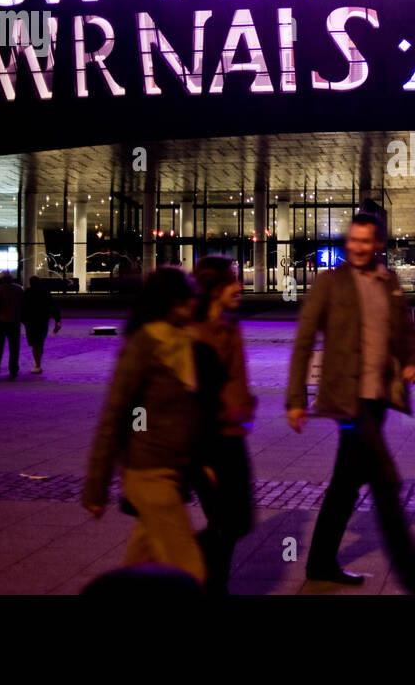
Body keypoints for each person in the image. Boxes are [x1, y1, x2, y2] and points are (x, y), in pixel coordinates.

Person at [286, 212, 415, 595]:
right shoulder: (329, 283)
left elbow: (405, 331)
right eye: (353, 240)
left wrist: (414, 360)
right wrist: (296, 399)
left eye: (366, 241)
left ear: (378, 243)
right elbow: (303, 340)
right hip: (348, 401)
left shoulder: (387, 281)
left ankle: (320, 564)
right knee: (383, 483)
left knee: (345, 485)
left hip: (377, 399)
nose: (358, 247)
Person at [82, 266, 206, 584]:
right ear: (170, 302)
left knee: (140, 564)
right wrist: (96, 488)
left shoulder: (186, 342)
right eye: (185, 299)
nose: (193, 303)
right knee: (190, 571)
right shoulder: (144, 345)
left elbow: (190, 415)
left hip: (173, 471)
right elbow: (114, 413)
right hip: (149, 472)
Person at [189, 255, 255, 595]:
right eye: (233, 280)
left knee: (237, 520)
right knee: (226, 521)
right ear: (215, 289)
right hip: (211, 440)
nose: (240, 286)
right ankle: (200, 575)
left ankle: (210, 580)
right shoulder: (196, 334)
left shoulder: (229, 324)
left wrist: (246, 406)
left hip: (234, 434)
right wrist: (202, 458)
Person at [0, 271, 25, 378]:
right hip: (15, 322)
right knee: (14, 347)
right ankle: (13, 368)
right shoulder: (18, 289)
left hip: (2, 321)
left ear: (2, 279)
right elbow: (23, 304)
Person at [22, 276, 62, 375]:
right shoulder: (45, 293)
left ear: (30, 283)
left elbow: (22, 308)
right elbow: (52, 307)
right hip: (43, 321)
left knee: (35, 343)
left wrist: (23, 320)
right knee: (39, 342)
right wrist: (57, 320)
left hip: (31, 321)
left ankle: (37, 364)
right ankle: (38, 361)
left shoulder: (27, 293)